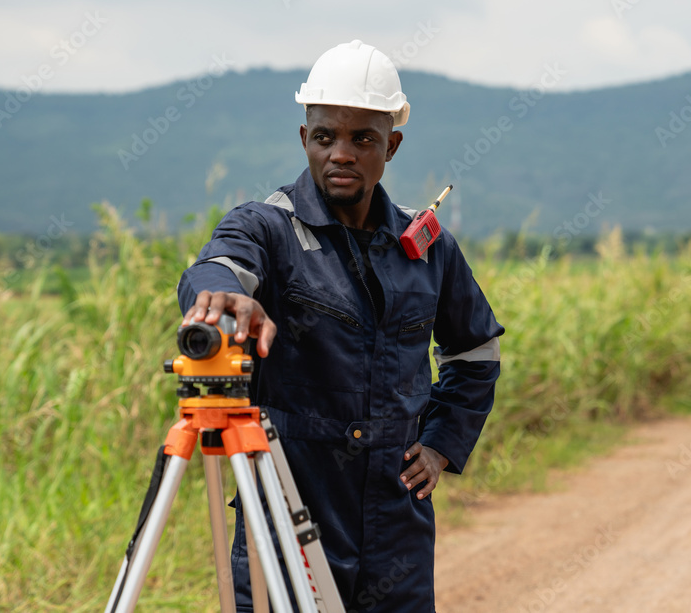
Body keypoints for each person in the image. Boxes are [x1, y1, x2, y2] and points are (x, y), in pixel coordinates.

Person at [177, 39, 504, 612]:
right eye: (325, 137)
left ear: (392, 146)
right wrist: (226, 299)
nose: (341, 154)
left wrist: (440, 446)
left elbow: (474, 352)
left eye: (363, 139)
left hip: (395, 523)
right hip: (287, 512)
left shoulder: (428, 249)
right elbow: (219, 267)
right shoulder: (266, 228)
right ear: (305, 138)